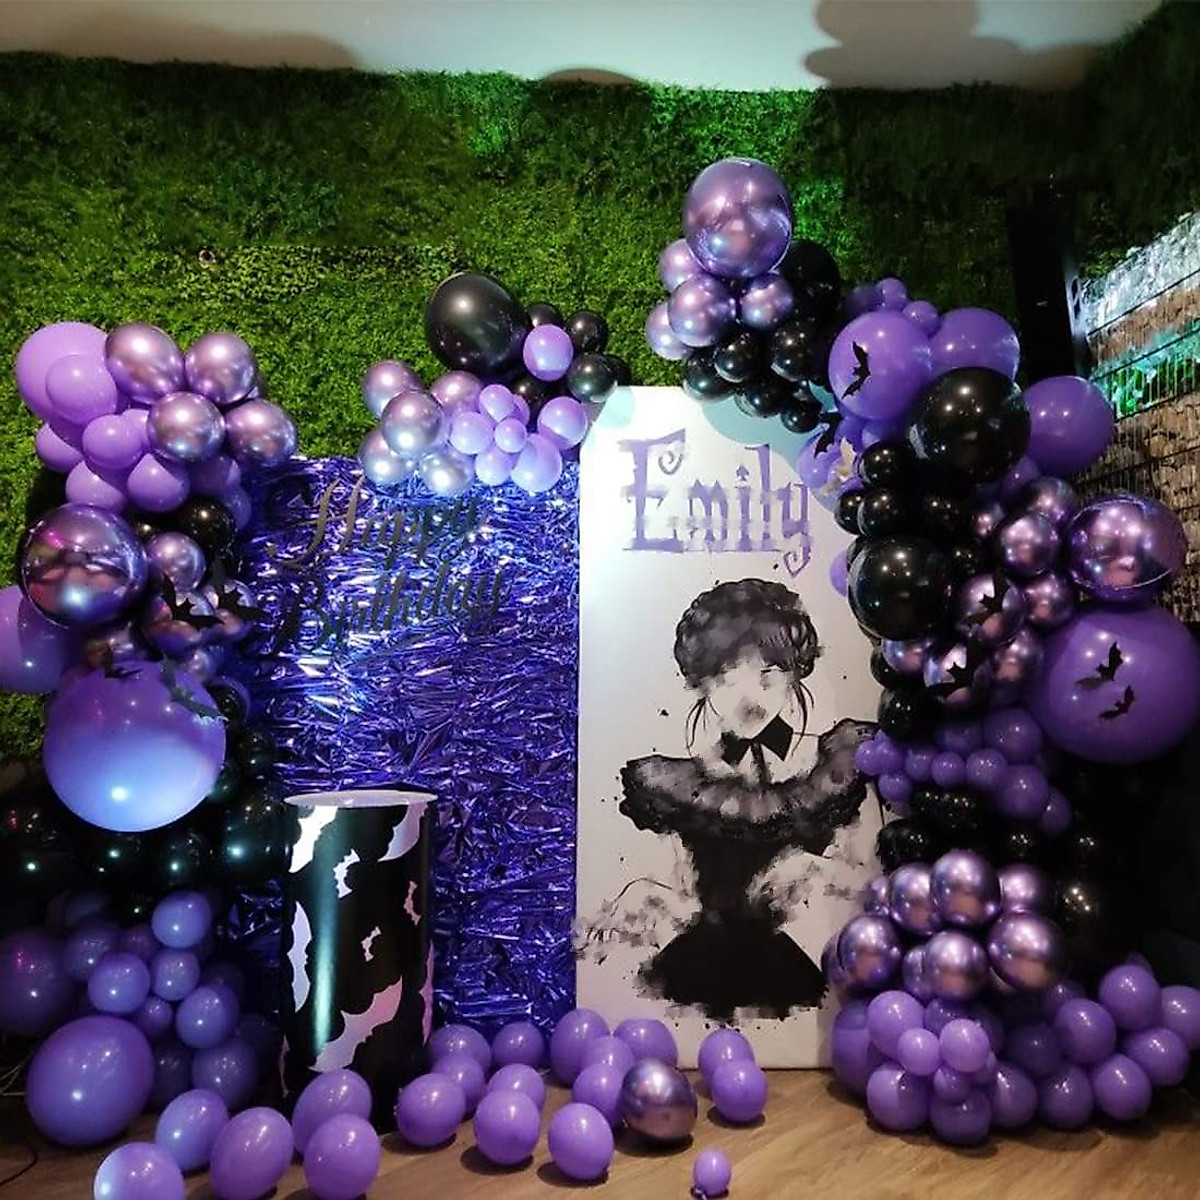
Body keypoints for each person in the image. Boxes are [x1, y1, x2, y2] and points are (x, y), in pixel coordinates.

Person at [619, 578, 872, 1020]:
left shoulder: (832, 764)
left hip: (801, 966)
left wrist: (818, 873)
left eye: (768, 675)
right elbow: (676, 885)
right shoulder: (677, 784)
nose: (749, 698)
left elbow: (867, 877)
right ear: (701, 683)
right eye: (726, 678)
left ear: (795, 673)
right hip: (693, 971)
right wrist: (650, 896)